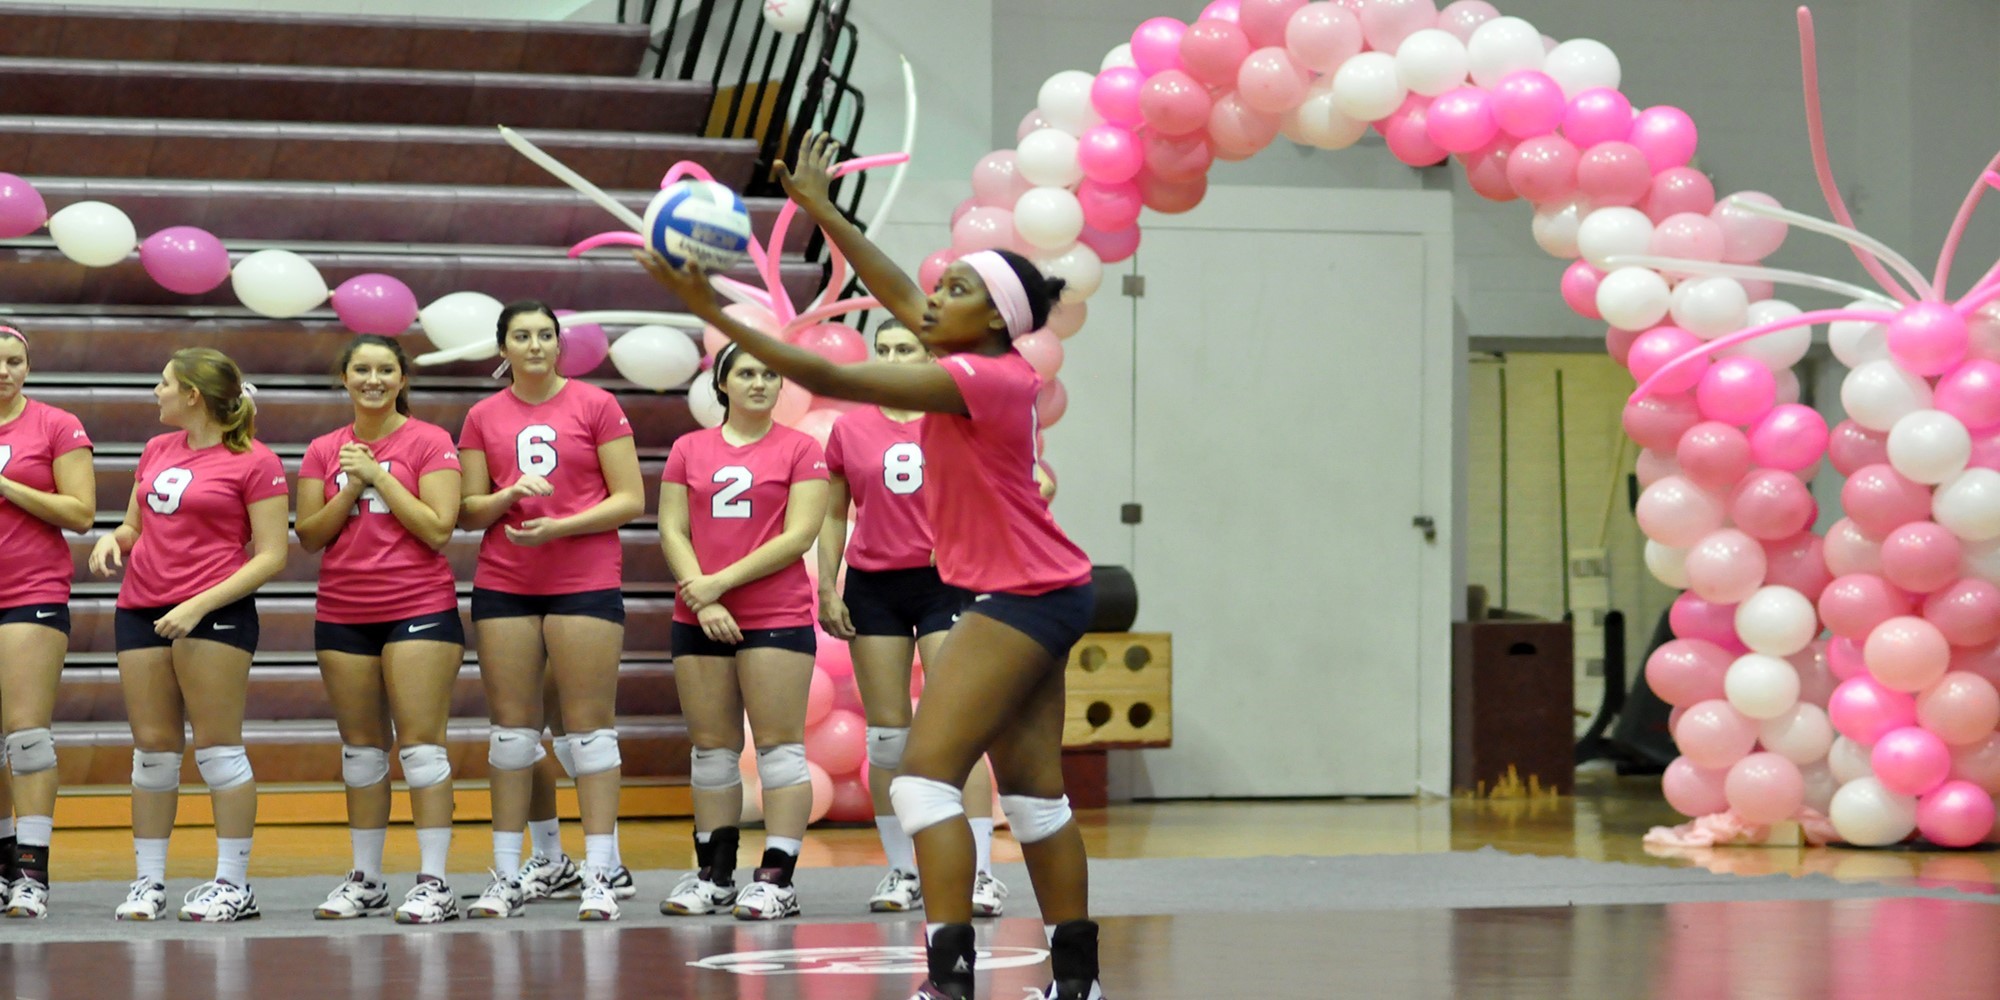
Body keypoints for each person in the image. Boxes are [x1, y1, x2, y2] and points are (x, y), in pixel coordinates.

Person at [637, 131, 1103, 1000]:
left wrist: (709, 307)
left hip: (1021, 595)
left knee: (924, 783)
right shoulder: (979, 357)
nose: (932, 300)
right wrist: (822, 212)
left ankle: (950, 982)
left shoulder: (982, 378)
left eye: (955, 291)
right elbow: (900, 292)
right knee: (1036, 799)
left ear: (994, 319)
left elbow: (827, 374)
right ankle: (1075, 985)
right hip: (1046, 587)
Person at [456, 302, 643, 921]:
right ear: (502, 348)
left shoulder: (595, 404)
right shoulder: (483, 414)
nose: (535, 345)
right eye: (522, 336)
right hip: (506, 581)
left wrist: (561, 527)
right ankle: (507, 876)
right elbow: (469, 512)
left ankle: (600, 874)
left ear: (559, 345)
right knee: (512, 736)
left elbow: (629, 499)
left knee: (588, 731)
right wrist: (507, 496)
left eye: (545, 335)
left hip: (583, 579)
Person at [89, 348, 289, 923]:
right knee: (153, 752)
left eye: (164, 383)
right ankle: (149, 884)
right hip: (141, 609)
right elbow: (134, 523)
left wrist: (197, 605)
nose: (157, 392)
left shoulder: (255, 460)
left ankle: (233, 884)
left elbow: (272, 555)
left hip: (214, 612)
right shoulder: (157, 449)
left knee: (218, 750)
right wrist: (113, 539)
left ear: (193, 396)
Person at [817, 320, 1007, 917]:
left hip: (945, 583)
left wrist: (957, 538)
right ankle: (902, 870)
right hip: (874, 585)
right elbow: (832, 514)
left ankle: (978, 874)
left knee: (959, 724)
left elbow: (998, 492)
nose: (895, 358)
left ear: (928, 357)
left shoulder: (952, 419)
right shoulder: (850, 428)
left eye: (907, 349)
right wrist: (828, 584)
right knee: (888, 734)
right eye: (886, 349)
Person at [294, 335, 464, 924]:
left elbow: (440, 529)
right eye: (362, 369)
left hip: (418, 606)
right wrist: (349, 484)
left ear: (401, 378)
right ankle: (366, 879)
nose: (374, 379)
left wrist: (379, 476)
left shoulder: (430, 440)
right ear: (344, 378)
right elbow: (310, 535)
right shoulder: (324, 449)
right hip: (344, 610)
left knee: (420, 748)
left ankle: (434, 881)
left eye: (385, 370)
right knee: (363, 754)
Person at [658, 343, 829, 921]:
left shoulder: (801, 448)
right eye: (746, 373)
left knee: (779, 753)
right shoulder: (688, 448)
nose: (759, 383)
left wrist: (716, 584)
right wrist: (700, 597)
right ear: (722, 384)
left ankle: (776, 879)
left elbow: (799, 535)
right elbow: (672, 529)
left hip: (775, 614)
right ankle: (715, 875)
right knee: (712, 753)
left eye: (769, 374)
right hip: (698, 616)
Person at [0, 324, 94, 918]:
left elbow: (80, 512)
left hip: (28, 591)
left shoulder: (55, 425)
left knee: (26, 735)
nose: (4, 371)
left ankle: (32, 874)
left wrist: (4, 484)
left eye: (14, 361)